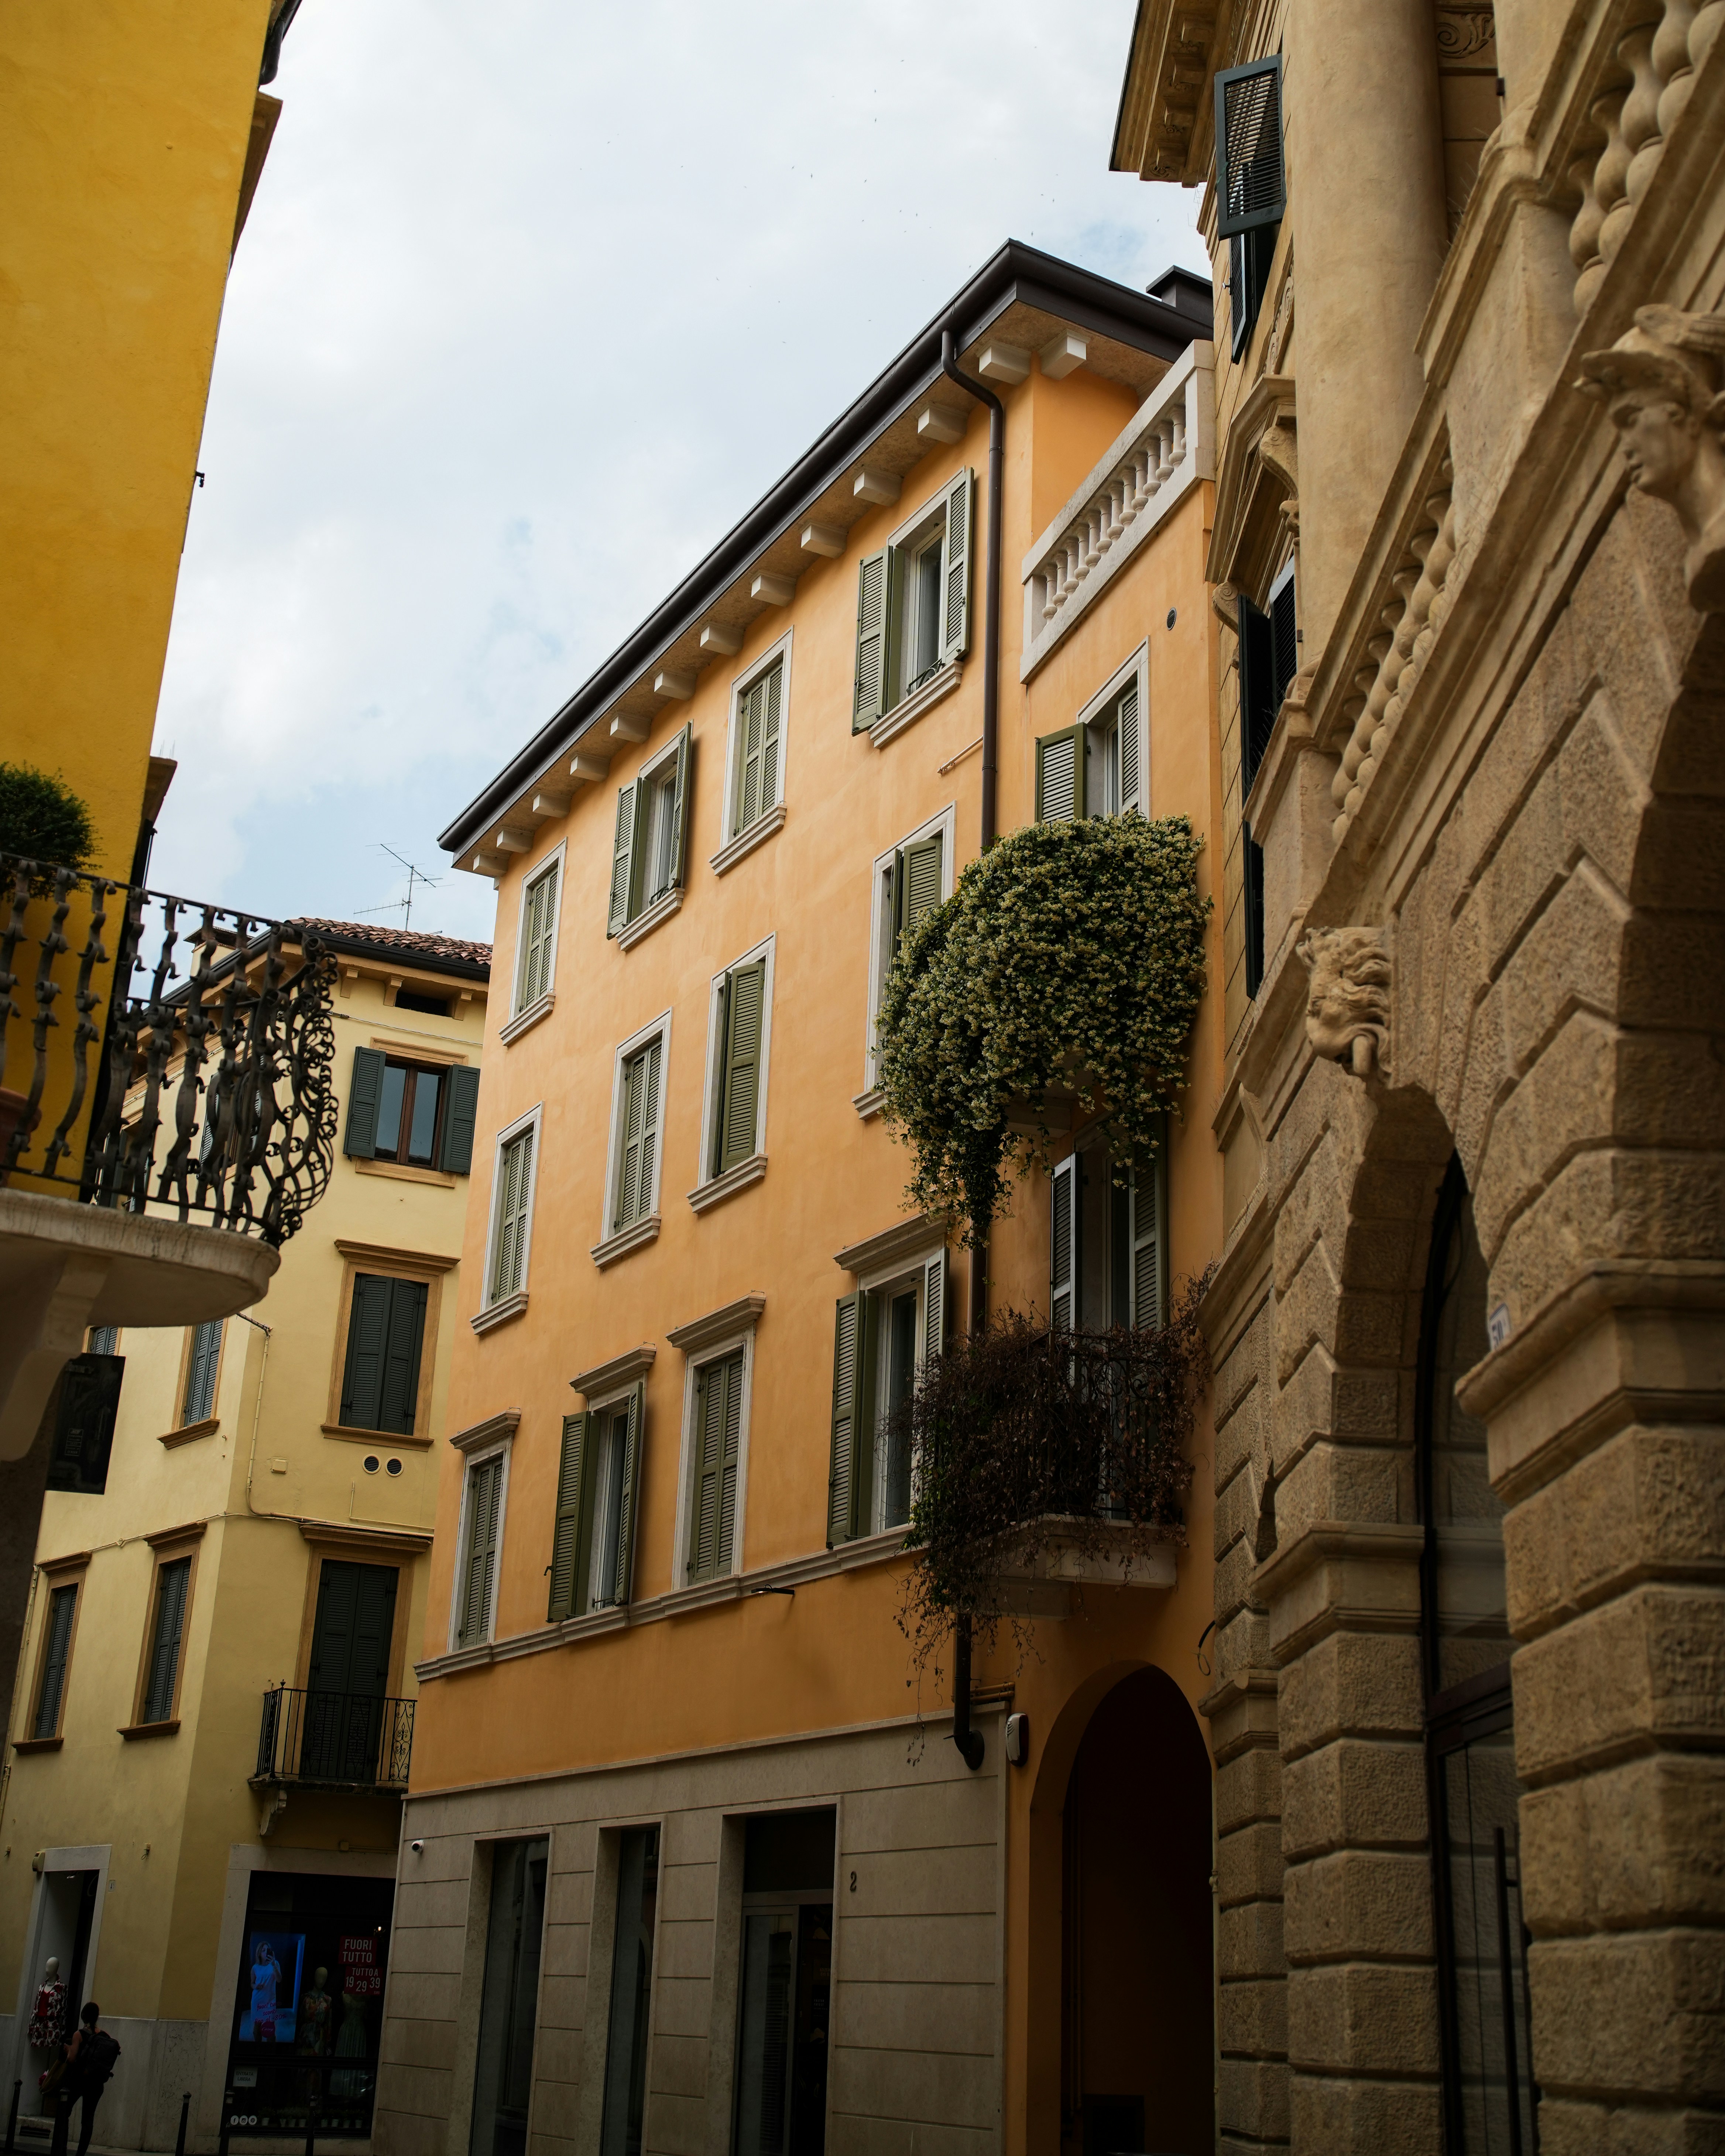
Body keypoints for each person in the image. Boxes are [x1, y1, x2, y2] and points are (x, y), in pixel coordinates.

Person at [49, 2003, 119, 2156]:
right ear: (97, 2017)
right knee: (88, 2120)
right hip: (97, 2084)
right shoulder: (104, 2035)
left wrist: (68, 2050)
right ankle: (80, 2154)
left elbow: (72, 2059)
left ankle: (62, 2149)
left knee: (64, 2113)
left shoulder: (79, 2035)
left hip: (79, 2081)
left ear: (83, 2016)